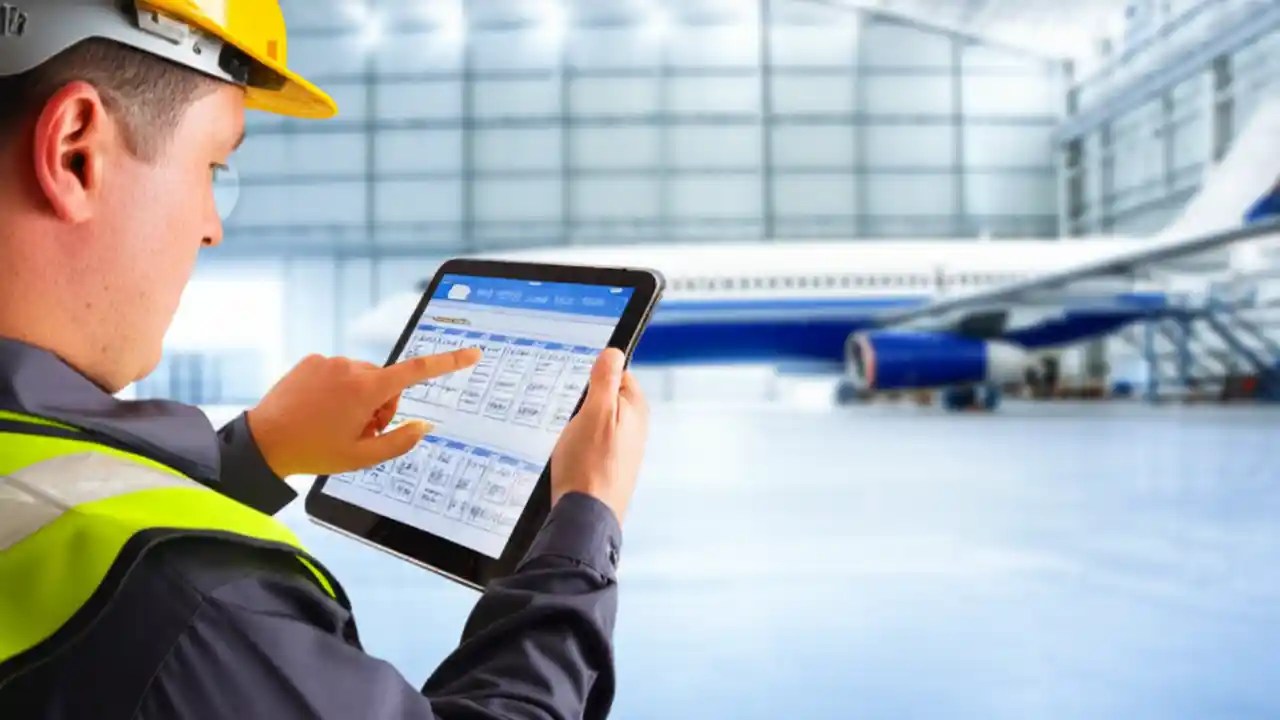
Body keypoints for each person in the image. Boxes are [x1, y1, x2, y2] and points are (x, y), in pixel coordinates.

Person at [0, 2, 649, 718]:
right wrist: (583, 526)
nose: (211, 228)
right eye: (213, 166)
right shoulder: (198, 608)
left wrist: (254, 454)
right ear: (74, 152)